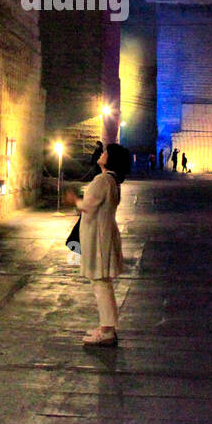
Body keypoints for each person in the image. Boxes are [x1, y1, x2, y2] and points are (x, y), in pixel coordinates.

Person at [70, 142, 129, 347]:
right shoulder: (112, 181)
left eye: (105, 152)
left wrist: (74, 200)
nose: (101, 154)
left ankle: (106, 331)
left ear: (110, 159)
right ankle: (107, 327)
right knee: (103, 284)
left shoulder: (101, 180)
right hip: (104, 234)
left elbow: (88, 207)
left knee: (100, 284)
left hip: (98, 237)